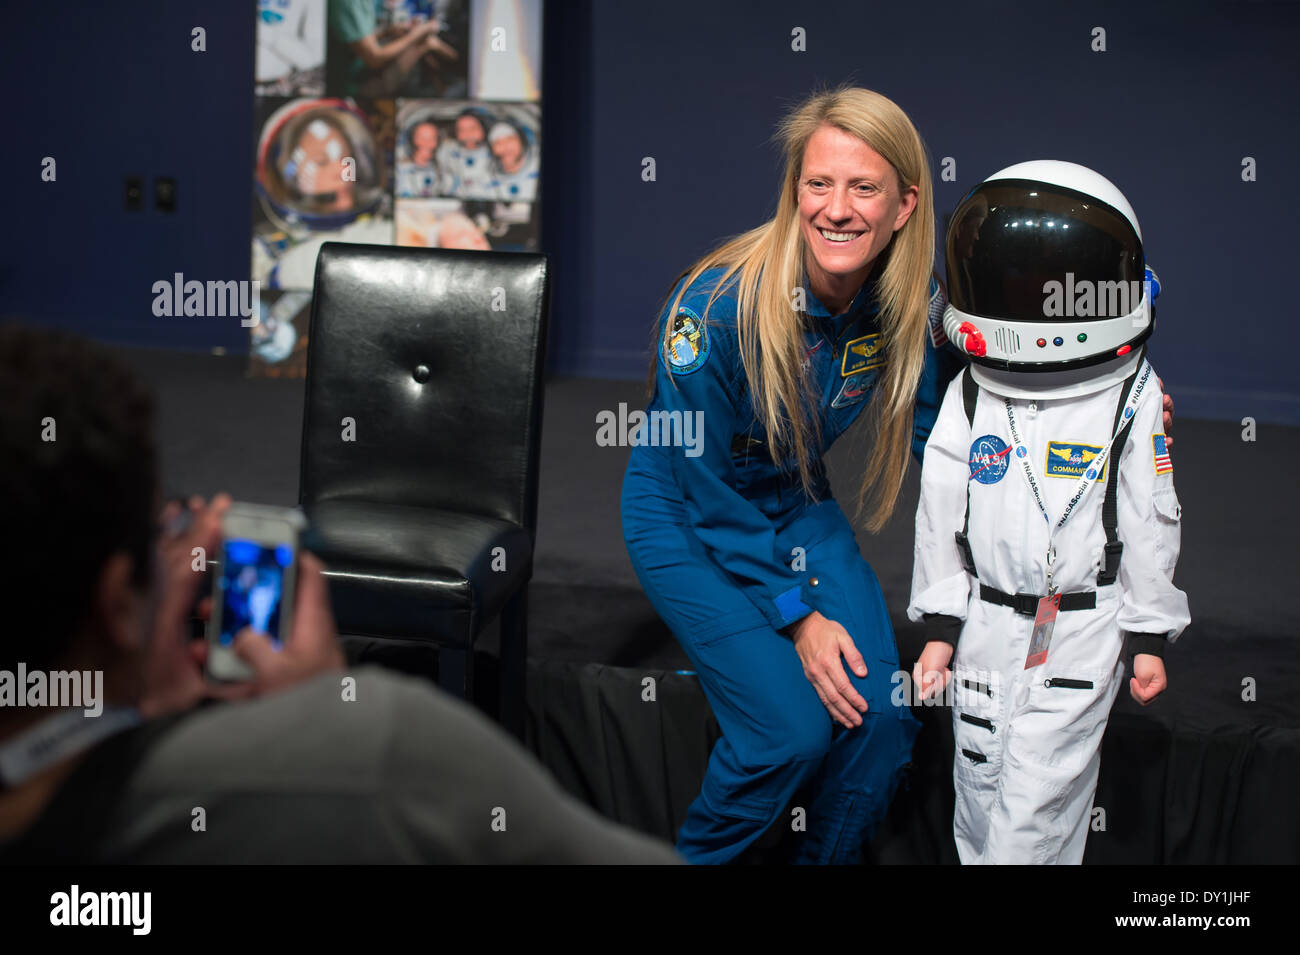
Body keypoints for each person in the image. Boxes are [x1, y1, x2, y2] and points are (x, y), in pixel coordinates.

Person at [0, 326, 681, 864]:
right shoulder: (383, 754)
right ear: (118, 599)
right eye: (165, 528)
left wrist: (144, 695)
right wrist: (327, 714)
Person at [621, 86, 965, 864]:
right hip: (683, 509)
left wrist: (1112, 407)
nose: (836, 209)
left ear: (905, 204)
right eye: (819, 183)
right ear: (795, 190)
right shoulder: (712, 311)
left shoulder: (910, 301)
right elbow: (705, 492)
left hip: (792, 499)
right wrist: (796, 617)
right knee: (787, 733)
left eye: (863, 186)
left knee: (880, 718)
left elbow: (953, 435)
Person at [908, 161, 1190, 864]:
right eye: (1019, 285)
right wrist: (941, 624)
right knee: (979, 787)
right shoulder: (972, 393)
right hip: (985, 620)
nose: (1037, 301)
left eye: (1054, 288)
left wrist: (1150, 630)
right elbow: (940, 509)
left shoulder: (1130, 397)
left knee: (1034, 807)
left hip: (1077, 626)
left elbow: (1152, 514)